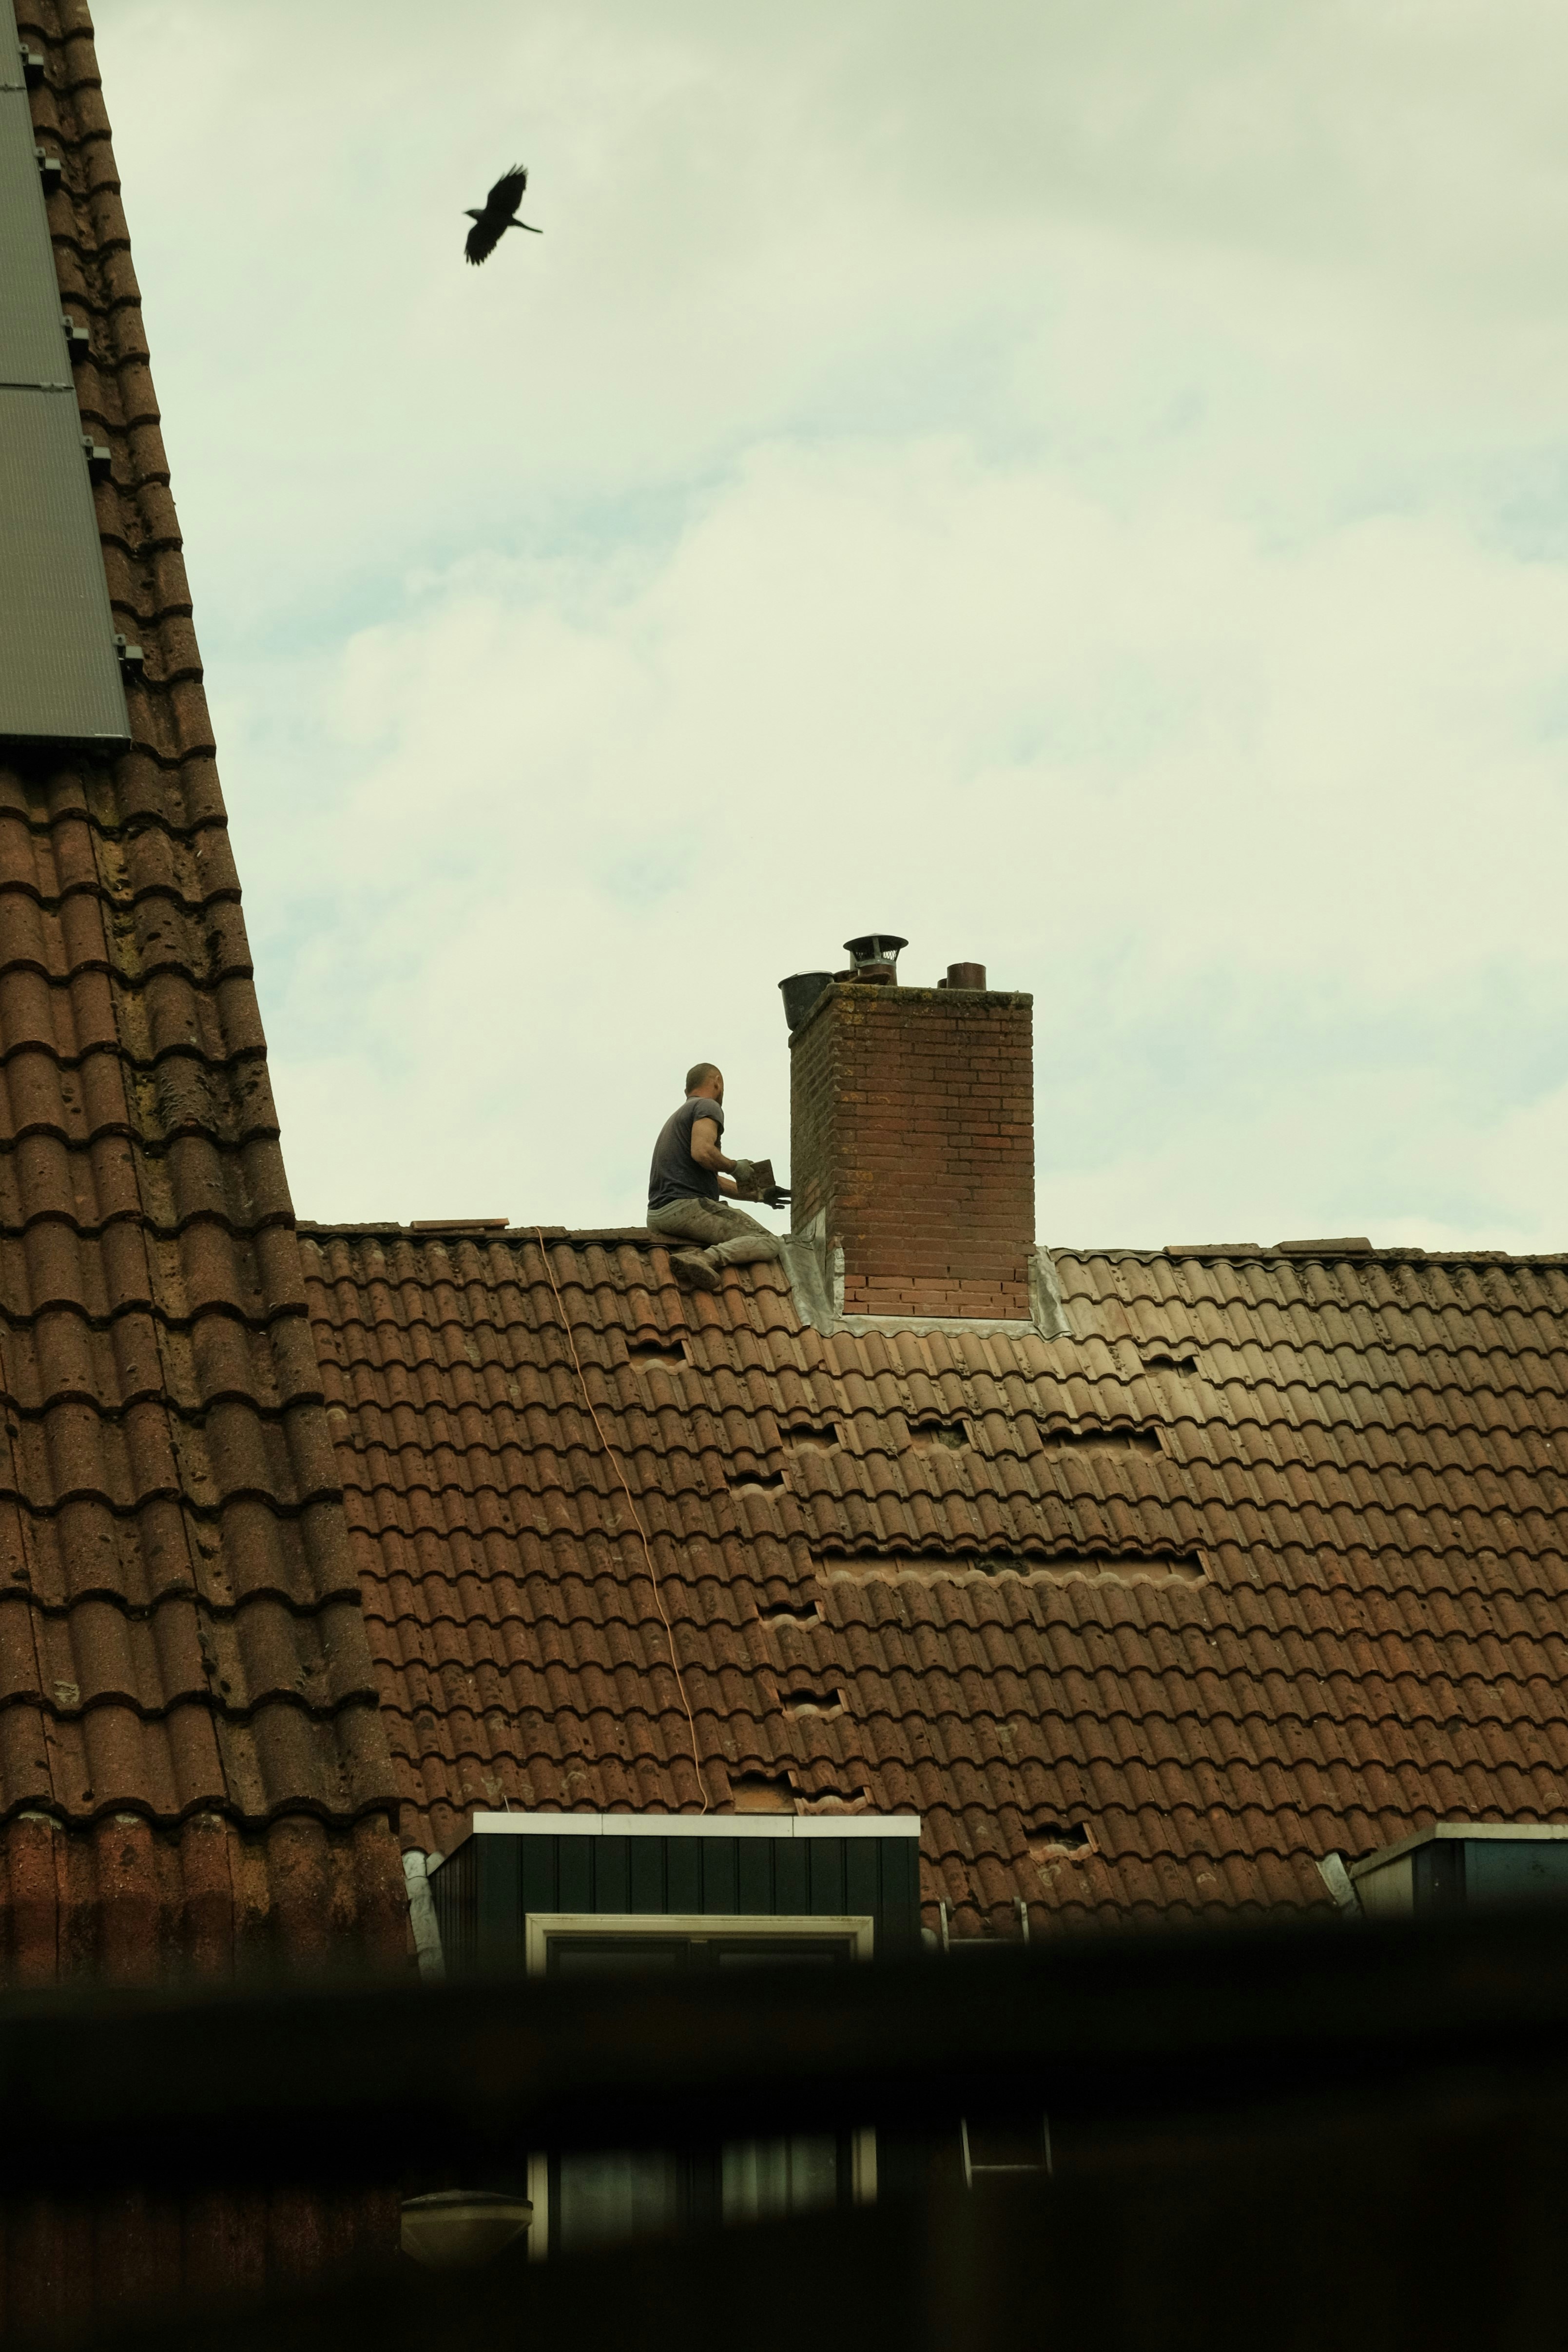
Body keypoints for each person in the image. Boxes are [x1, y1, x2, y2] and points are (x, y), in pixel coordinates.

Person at [646, 1062, 791, 1292]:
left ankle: (693, 1255)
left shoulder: (678, 1117)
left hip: (660, 1215)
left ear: (687, 1091)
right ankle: (704, 1259)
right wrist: (734, 1167)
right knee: (768, 1242)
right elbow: (702, 1151)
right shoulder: (707, 1106)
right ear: (717, 1082)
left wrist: (759, 1195)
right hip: (685, 1207)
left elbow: (713, 1181)